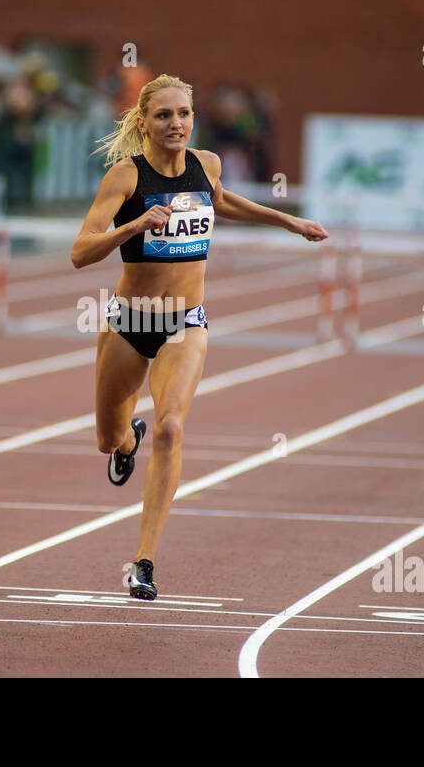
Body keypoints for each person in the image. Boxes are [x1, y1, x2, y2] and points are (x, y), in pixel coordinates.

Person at [70, 74, 326, 600]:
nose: (176, 124)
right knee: (106, 440)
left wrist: (287, 221)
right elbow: (80, 252)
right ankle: (126, 440)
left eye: (184, 114)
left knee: (171, 427)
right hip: (131, 320)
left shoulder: (205, 164)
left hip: (185, 320)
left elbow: (223, 201)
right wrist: (133, 226)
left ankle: (143, 562)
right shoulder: (125, 176)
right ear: (143, 122)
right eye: (164, 115)